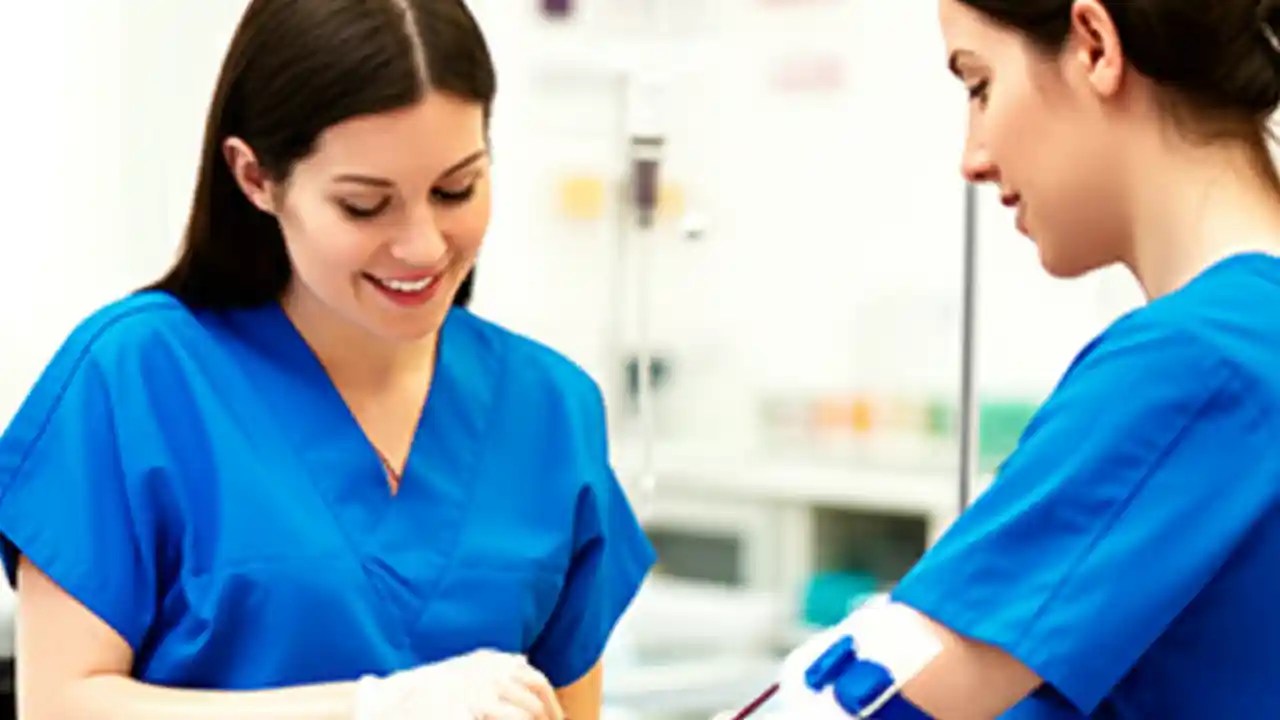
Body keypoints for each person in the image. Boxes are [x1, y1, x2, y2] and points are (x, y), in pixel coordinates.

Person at [0, 1, 655, 719]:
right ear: (256, 178)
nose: (424, 247)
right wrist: (368, 709)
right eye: (365, 205)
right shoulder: (136, 379)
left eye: (455, 189)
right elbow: (62, 705)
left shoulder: (548, 407)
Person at [728, 0, 1280, 718]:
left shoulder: (1200, 360)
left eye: (979, 85)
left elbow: (874, 694)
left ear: (1093, 46)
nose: (974, 157)